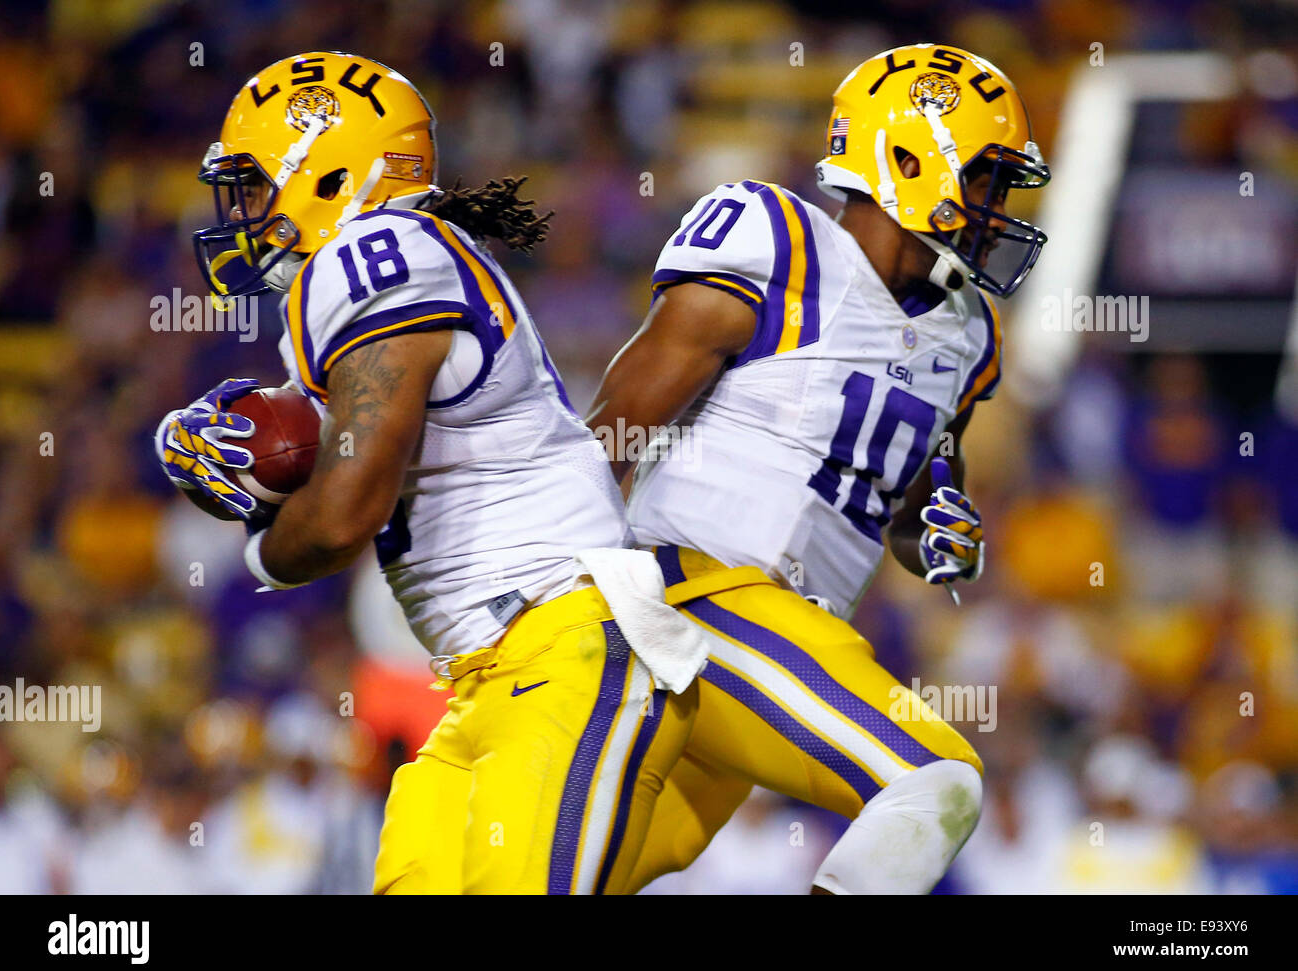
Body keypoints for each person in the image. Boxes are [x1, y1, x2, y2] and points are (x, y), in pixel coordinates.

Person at [154, 52, 704, 894]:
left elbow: (343, 517)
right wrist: (274, 454)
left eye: (257, 182)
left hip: (561, 649)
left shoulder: (372, 256)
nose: (245, 209)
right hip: (486, 677)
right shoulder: (384, 260)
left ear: (329, 171)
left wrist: (261, 541)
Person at [585, 43, 1051, 894]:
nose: (999, 207)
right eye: (986, 177)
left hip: (779, 650)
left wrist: (936, 529)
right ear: (908, 162)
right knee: (934, 781)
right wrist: (560, 602)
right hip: (687, 598)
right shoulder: (779, 243)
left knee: (577, 875)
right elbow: (613, 430)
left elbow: (905, 501)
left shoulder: (968, 334)